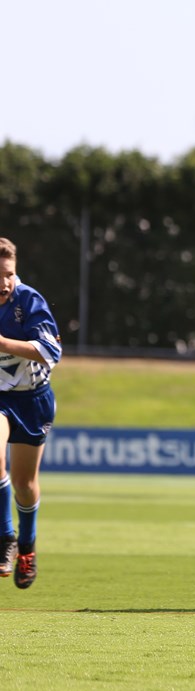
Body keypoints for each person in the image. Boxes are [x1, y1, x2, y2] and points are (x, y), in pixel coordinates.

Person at [0, 237, 62, 590]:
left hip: (33, 399)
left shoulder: (28, 300)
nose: (4, 282)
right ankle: (5, 536)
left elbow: (51, 352)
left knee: (24, 484)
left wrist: (3, 343)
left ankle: (27, 546)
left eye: (8, 274)